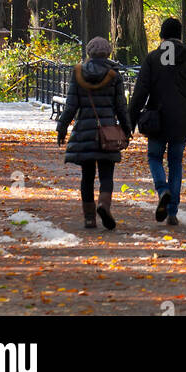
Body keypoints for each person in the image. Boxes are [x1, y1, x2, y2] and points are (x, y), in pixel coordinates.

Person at [128, 17, 186, 228]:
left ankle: (162, 189)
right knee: (176, 163)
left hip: (156, 119)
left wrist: (128, 122)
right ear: (179, 35)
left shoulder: (153, 58)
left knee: (154, 157)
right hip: (181, 121)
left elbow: (140, 92)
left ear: (161, 36)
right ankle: (172, 211)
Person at [56, 36, 130, 230]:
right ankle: (103, 205)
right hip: (108, 133)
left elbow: (71, 105)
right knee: (107, 175)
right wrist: (127, 129)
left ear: (89, 52)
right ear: (108, 53)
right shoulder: (114, 75)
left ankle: (89, 218)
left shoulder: (78, 73)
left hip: (84, 133)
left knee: (87, 176)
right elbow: (121, 107)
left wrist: (62, 127)